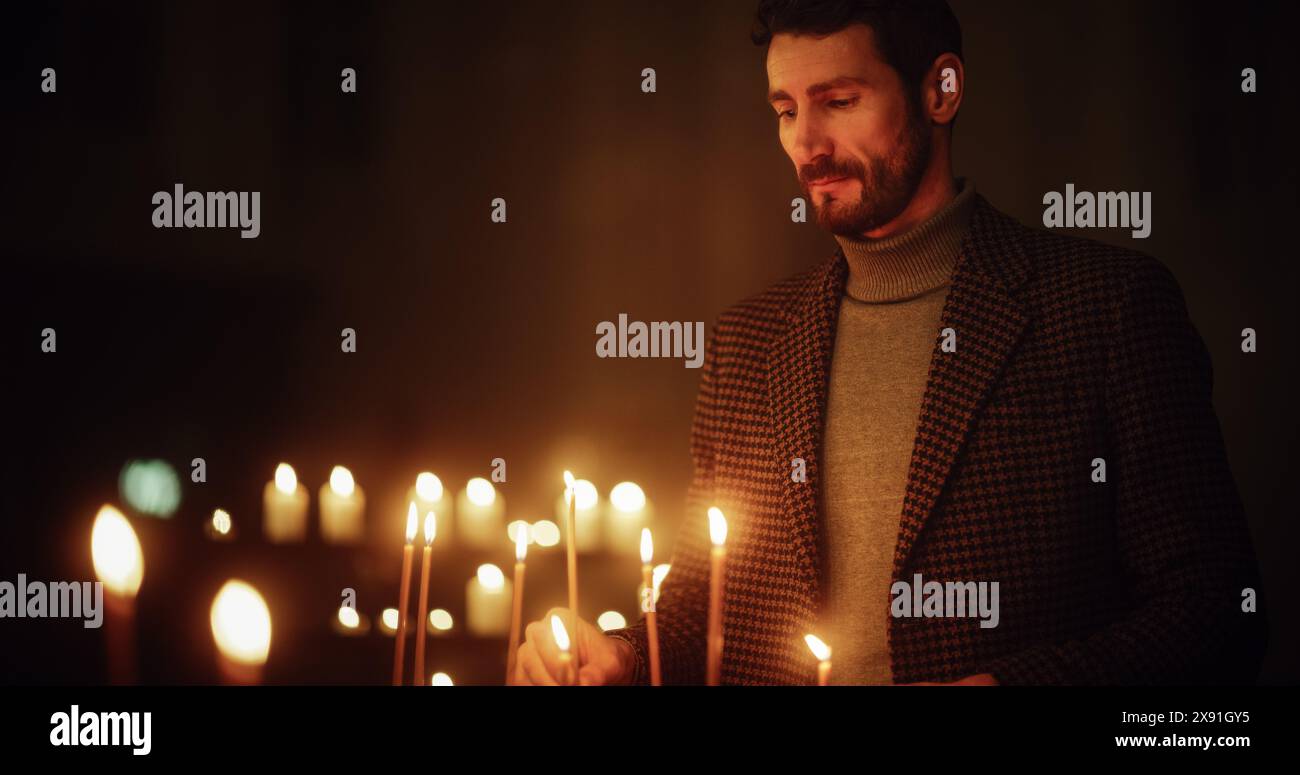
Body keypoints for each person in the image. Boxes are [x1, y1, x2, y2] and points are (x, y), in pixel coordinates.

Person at [514, 0, 1266, 686]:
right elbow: (702, 615)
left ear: (941, 90)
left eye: (839, 101)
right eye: (784, 109)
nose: (806, 143)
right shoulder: (748, 341)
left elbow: (1214, 610)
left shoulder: (1107, 307)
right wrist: (621, 655)